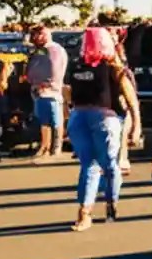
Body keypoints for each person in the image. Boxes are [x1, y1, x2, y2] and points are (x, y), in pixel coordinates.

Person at [67, 27, 136, 231]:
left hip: (95, 117)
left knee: (102, 165)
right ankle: (91, 210)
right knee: (94, 164)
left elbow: (131, 100)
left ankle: (104, 205)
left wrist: (135, 127)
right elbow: (69, 93)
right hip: (88, 117)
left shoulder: (113, 68)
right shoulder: (81, 66)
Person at [25, 25, 68, 161]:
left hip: (51, 91)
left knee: (56, 120)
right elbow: (34, 66)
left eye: (38, 34)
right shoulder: (40, 51)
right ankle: (45, 146)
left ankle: (56, 147)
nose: (35, 38)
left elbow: (54, 69)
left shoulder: (54, 50)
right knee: (44, 121)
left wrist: (48, 83)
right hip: (39, 91)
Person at [109, 33, 142, 176]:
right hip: (111, 107)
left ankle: (122, 159)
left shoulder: (122, 71)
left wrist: (136, 124)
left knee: (122, 131)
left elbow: (131, 98)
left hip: (121, 107)